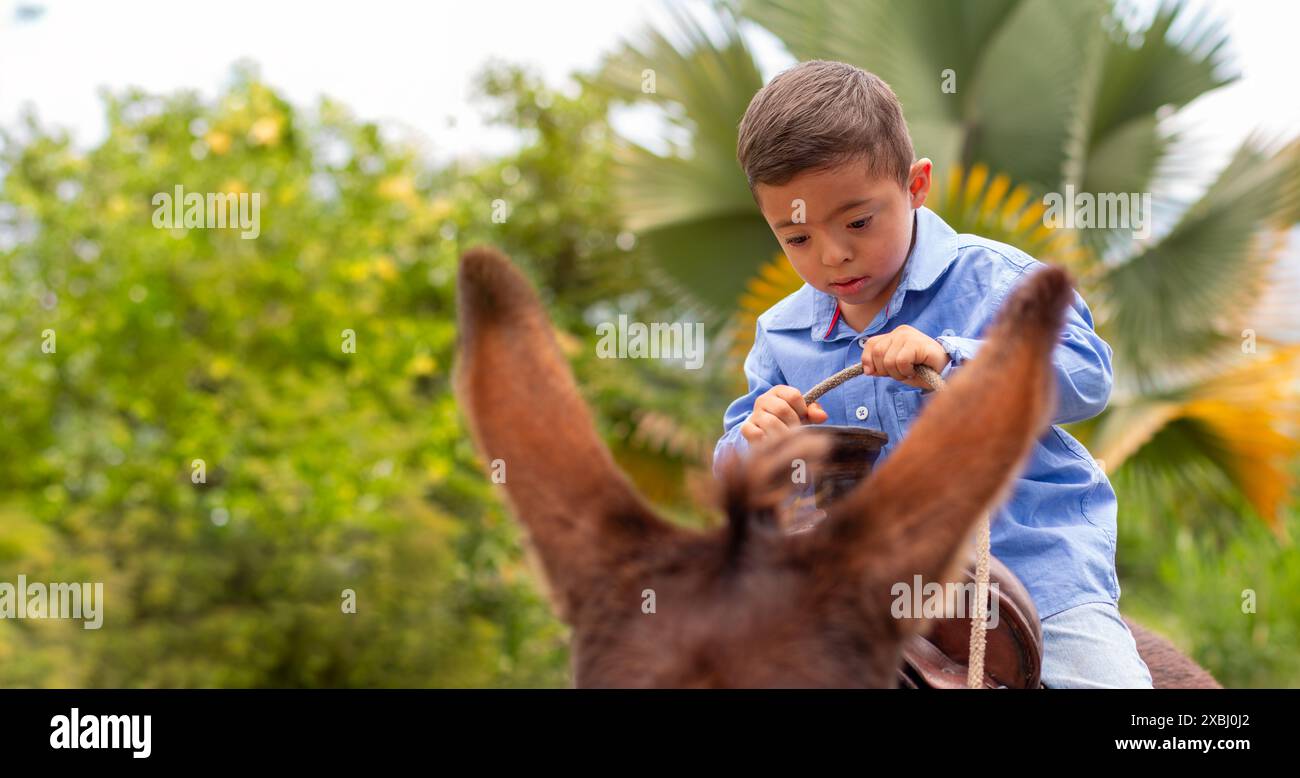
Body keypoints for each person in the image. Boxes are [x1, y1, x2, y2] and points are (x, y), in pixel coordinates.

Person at [713, 60, 1152, 688]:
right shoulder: (781, 336)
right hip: (868, 593)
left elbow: (1086, 376)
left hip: (1033, 572)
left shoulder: (997, 280)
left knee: (1108, 687)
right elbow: (732, 467)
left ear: (916, 186)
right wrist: (758, 440)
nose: (833, 254)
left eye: (858, 223)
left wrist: (955, 358)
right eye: (798, 238)